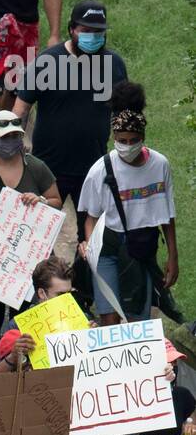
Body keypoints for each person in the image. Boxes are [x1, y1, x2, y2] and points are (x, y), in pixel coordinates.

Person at [13, 0, 127, 238]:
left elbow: (123, 115)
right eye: (86, 31)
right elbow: (20, 110)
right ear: (71, 29)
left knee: (93, 238)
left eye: (98, 32)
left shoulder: (114, 65)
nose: (92, 37)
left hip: (93, 167)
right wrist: (11, 151)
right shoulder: (47, 61)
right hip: (47, 168)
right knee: (35, 233)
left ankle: (81, 275)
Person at [0, 112, 61, 350]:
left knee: (29, 328)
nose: (10, 141)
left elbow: (56, 199)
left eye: (15, 136)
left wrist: (41, 201)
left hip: (30, 262)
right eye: (5, 137)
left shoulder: (36, 168)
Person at [77, 82, 177, 324]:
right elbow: (90, 217)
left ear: (142, 138)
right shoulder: (101, 169)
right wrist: (90, 246)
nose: (128, 146)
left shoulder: (160, 165)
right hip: (108, 248)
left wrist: (173, 256)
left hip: (141, 247)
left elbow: (167, 216)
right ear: (114, 137)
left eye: (134, 140)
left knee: (137, 318)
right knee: (108, 315)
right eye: (122, 140)